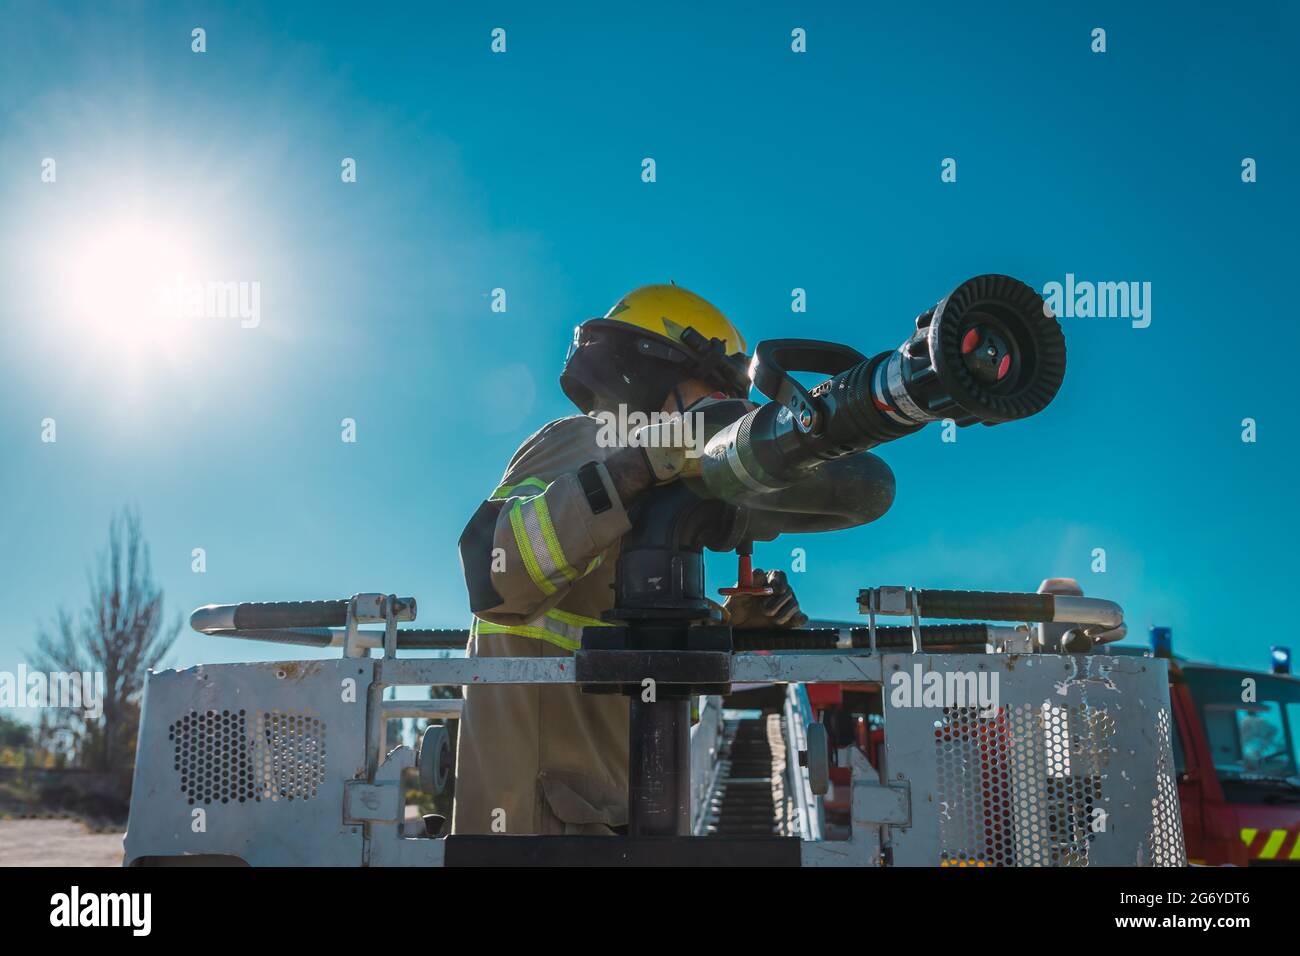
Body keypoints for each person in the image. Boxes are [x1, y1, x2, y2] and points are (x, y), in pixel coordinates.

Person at [451, 284, 806, 835]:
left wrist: (729, 626)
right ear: (658, 368)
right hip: (535, 835)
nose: (722, 413)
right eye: (714, 391)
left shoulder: (666, 495)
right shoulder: (587, 442)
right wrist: (641, 462)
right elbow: (493, 573)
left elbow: (628, 636)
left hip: (613, 829)